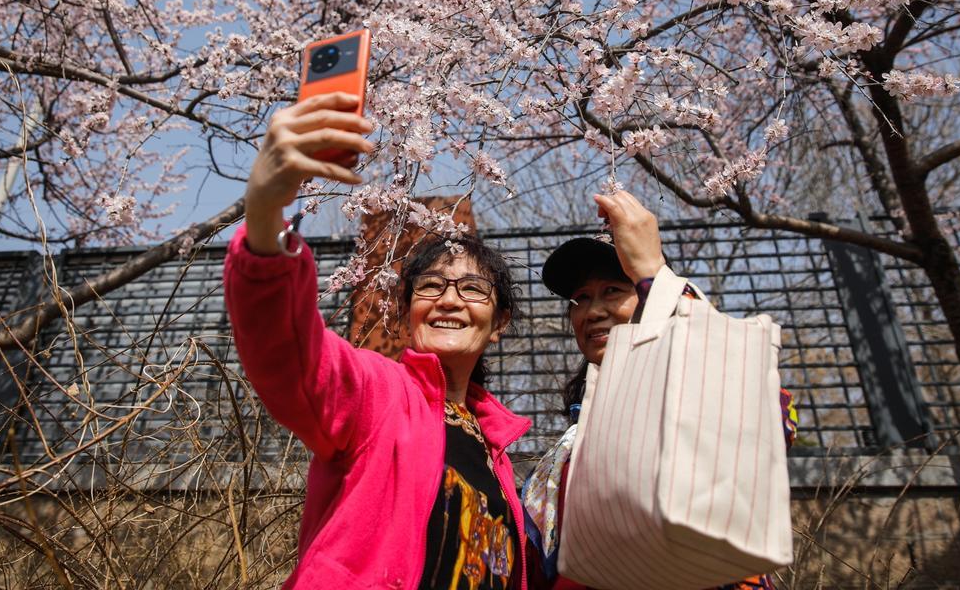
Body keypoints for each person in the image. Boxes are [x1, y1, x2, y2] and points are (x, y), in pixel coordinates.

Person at [224, 92, 532, 589]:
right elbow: (290, 352)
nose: (449, 300)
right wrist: (264, 216)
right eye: (430, 287)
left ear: (499, 322)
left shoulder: (498, 449)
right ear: (408, 316)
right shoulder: (377, 393)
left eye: (472, 289)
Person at [522, 191, 798, 590]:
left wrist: (653, 272)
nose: (592, 311)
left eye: (613, 291)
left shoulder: (720, 382)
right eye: (580, 298)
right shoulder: (571, 441)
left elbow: (760, 421)